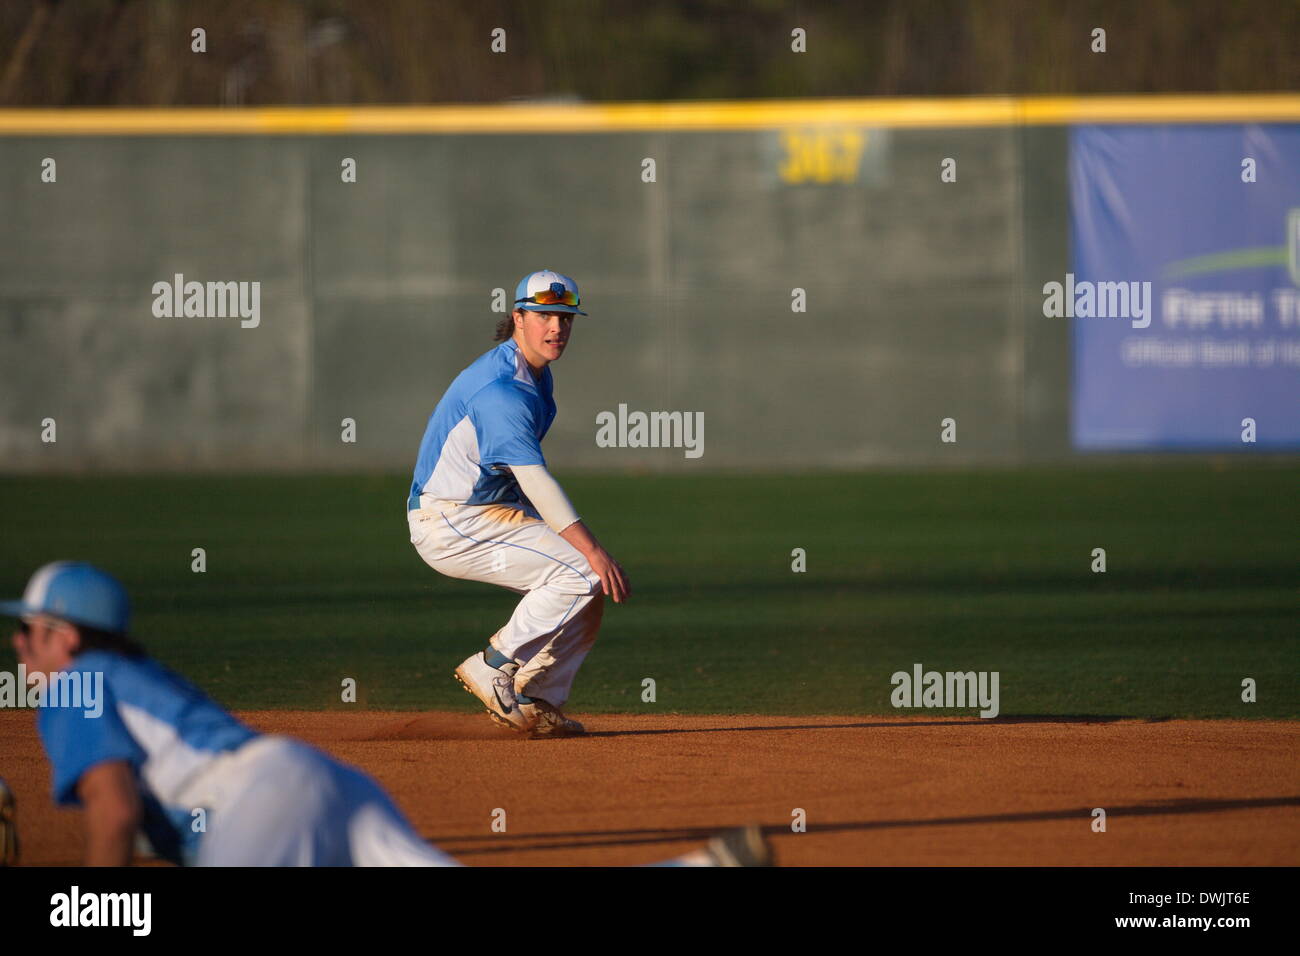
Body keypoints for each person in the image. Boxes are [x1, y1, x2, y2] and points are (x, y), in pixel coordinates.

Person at [4, 562, 769, 867]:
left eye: (30, 629)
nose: (18, 643)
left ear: (64, 639)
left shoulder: (73, 687)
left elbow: (112, 810)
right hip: (315, 779)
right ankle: (701, 865)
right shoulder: (132, 671)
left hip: (257, 806)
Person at [407, 269, 631, 738]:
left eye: (566, 318)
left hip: (482, 512)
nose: (557, 328)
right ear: (518, 317)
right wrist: (593, 548)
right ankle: (493, 665)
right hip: (451, 520)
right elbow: (536, 481)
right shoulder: (503, 390)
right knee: (586, 568)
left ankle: (537, 700)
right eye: (545, 316)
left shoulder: (531, 374)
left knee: (587, 587)